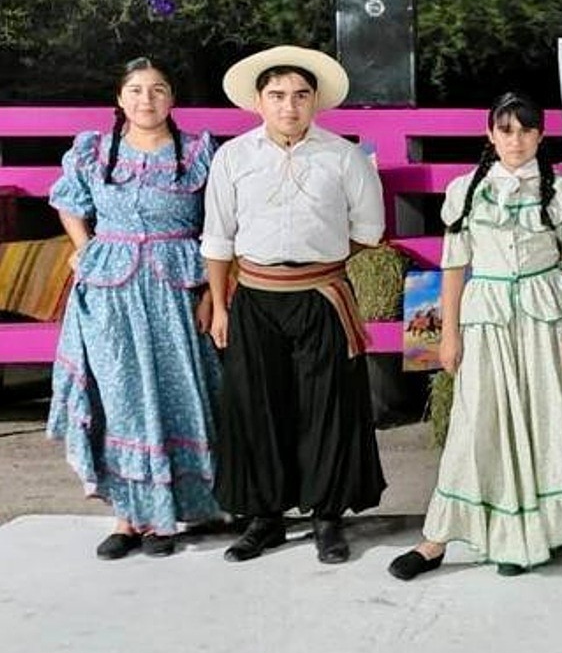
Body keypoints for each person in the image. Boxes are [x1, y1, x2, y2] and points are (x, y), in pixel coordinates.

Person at [387, 94, 562, 581]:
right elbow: (454, 267)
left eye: (526, 131)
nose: (516, 140)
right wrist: (448, 336)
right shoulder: (466, 190)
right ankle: (436, 539)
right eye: (506, 130)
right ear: (490, 135)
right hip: (485, 318)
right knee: (478, 420)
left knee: (546, 418)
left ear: (540, 136)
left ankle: (533, 536)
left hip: (544, 316)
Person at [202, 46, 386, 565]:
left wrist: (313, 266)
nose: (289, 106)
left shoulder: (343, 156)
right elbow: (217, 239)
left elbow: (367, 232)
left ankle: (328, 518)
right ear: (259, 101)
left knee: (326, 408)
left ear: (315, 102)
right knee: (257, 406)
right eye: (277, 95)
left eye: (300, 95)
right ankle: (266, 519)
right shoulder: (233, 157)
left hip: (321, 298)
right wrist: (219, 306)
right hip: (253, 299)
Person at [46, 58, 220, 559]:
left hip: (175, 289)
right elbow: (67, 201)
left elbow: (221, 223)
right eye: (137, 90)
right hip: (110, 291)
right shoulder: (94, 151)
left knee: (178, 394)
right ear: (120, 99)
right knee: (119, 397)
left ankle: (167, 518)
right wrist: (82, 245)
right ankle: (126, 518)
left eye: (158, 90)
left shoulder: (198, 152)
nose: (147, 99)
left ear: (172, 99)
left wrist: (211, 291)